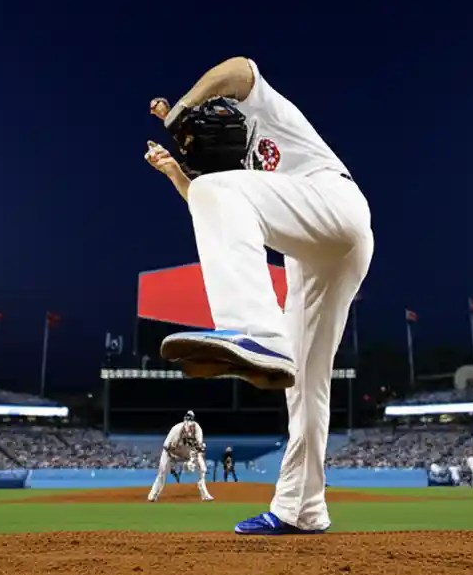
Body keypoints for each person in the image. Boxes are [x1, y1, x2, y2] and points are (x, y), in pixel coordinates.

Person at [145, 56, 372, 535]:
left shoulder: (260, 110)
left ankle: (255, 333)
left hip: (333, 203)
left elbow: (239, 67)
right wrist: (175, 175)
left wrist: (182, 107)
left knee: (214, 193)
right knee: (305, 389)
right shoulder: (239, 180)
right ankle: (302, 509)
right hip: (316, 250)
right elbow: (215, 204)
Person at [148, 411, 213, 502]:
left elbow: (199, 447)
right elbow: (166, 447)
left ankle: (204, 494)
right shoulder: (175, 429)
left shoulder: (197, 429)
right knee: (162, 471)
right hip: (170, 452)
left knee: (203, 469)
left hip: (186, 452)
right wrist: (173, 460)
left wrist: (191, 461)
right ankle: (153, 495)